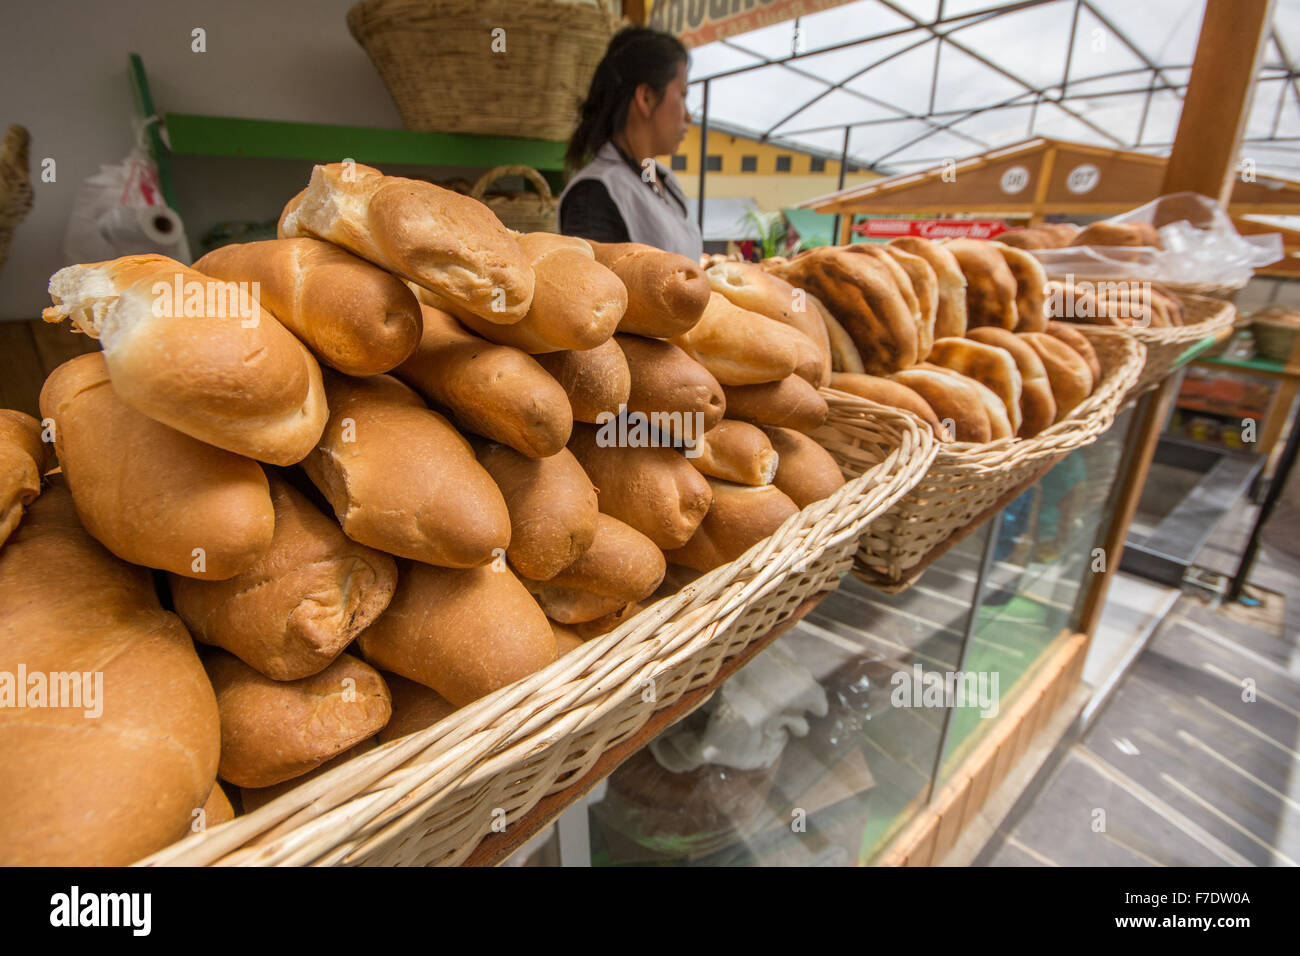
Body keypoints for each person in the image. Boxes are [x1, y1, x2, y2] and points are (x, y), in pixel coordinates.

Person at [559, 27, 703, 260]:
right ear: (646, 98)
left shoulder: (666, 180)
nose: (688, 116)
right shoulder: (594, 195)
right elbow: (594, 291)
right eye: (683, 95)